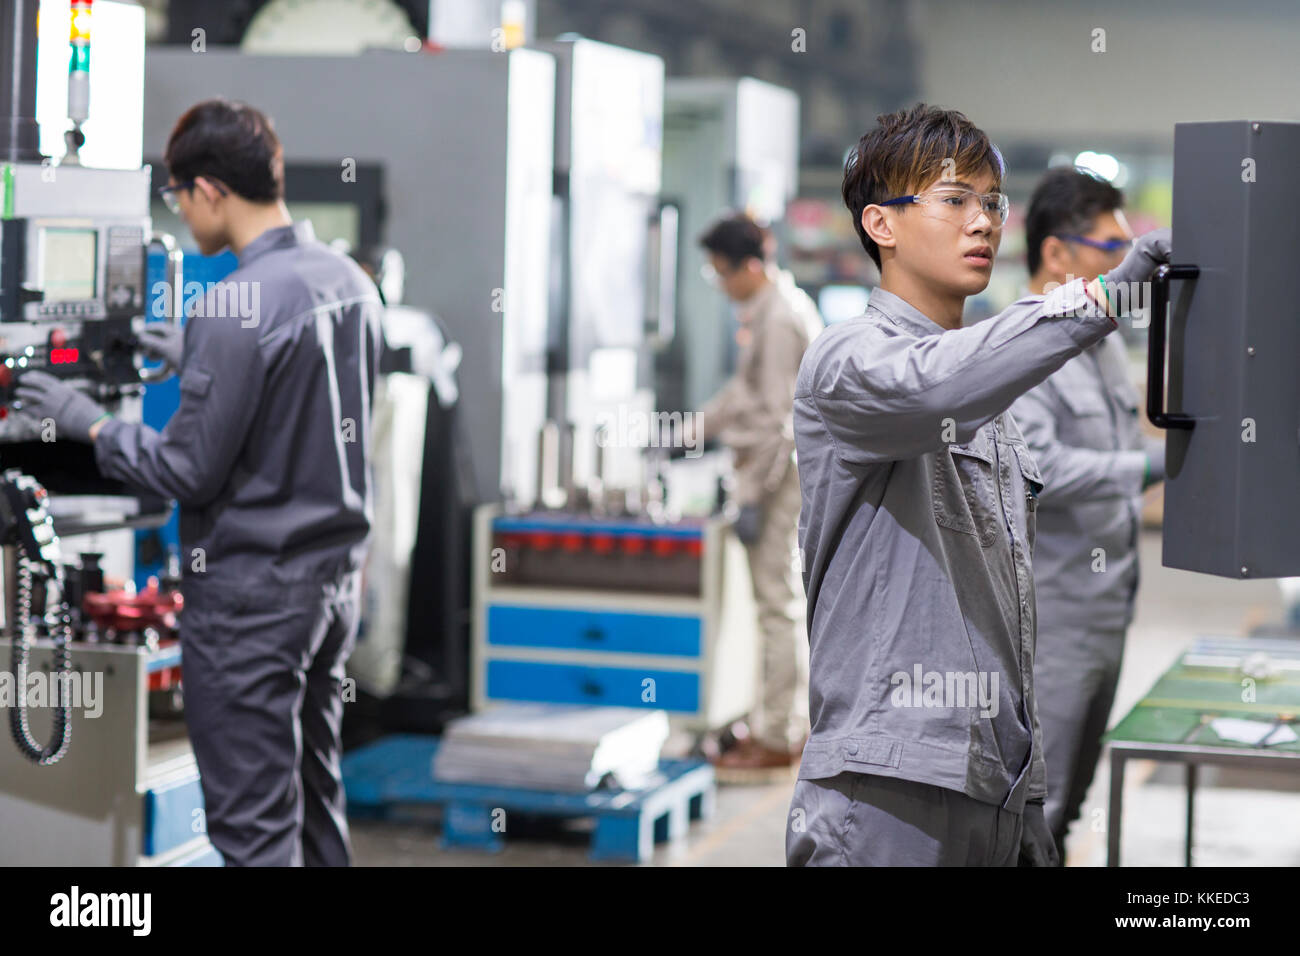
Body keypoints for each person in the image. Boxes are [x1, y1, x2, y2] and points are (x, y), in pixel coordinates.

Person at [786, 103, 1170, 866]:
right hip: (888, 783)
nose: (984, 222)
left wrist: (1027, 801)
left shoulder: (987, 402)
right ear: (881, 225)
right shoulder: (849, 361)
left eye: (992, 202)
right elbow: (934, 389)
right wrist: (1105, 298)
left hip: (994, 782)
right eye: (955, 199)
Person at [15, 99, 383, 866]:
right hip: (333, 585)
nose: (181, 214)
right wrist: (197, 353)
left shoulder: (230, 307)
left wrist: (83, 417)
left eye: (180, 196)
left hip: (252, 599)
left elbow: (185, 469)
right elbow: (299, 394)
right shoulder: (348, 281)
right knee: (314, 800)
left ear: (209, 189)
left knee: (252, 830)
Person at [1010, 167, 1165, 864]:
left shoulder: (1099, 349)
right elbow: (1039, 469)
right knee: (1036, 805)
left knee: (1070, 803)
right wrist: (1148, 470)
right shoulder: (1021, 352)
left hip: (1110, 608)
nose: (1124, 268)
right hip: (1057, 616)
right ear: (1057, 254)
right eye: (1111, 250)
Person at [693, 213, 823, 774]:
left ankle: (779, 735)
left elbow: (778, 422)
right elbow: (741, 396)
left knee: (778, 608)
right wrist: (683, 431)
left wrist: (753, 497)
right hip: (776, 476)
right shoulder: (773, 310)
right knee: (774, 606)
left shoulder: (776, 321)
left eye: (723, 272)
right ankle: (775, 720)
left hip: (779, 481)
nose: (721, 284)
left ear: (750, 266)